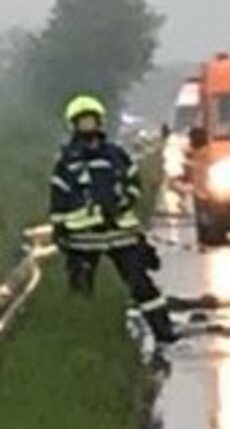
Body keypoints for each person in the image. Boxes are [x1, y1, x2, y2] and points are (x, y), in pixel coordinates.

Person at [48, 94, 176, 346]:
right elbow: (58, 198)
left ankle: (165, 334)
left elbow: (133, 185)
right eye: (82, 121)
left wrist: (122, 204)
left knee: (141, 285)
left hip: (121, 235)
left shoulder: (116, 155)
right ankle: (81, 341)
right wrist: (60, 230)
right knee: (80, 292)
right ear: (73, 125)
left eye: (91, 120)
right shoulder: (66, 162)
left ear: (99, 122)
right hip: (83, 240)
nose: (87, 126)